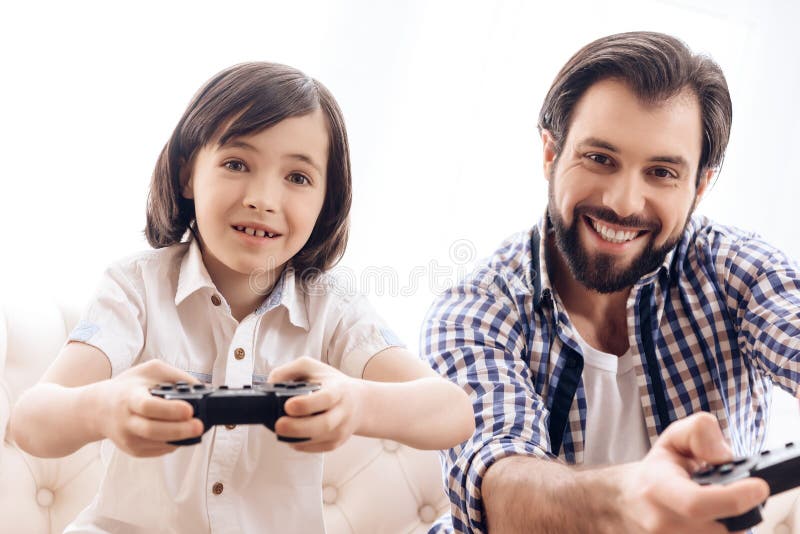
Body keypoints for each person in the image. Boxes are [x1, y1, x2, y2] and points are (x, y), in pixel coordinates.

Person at [10, 62, 474, 533]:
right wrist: (104, 408)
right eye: (236, 164)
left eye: (298, 177)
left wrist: (359, 404)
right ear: (189, 173)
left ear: (325, 201)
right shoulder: (135, 287)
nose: (263, 198)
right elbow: (30, 421)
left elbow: (453, 413)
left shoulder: (334, 308)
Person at [423, 31, 799, 533]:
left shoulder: (740, 271)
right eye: (600, 159)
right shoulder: (476, 312)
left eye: (662, 172)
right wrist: (635, 498)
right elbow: (501, 497)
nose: (624, 203)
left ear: (700, 187)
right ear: (550, 154)